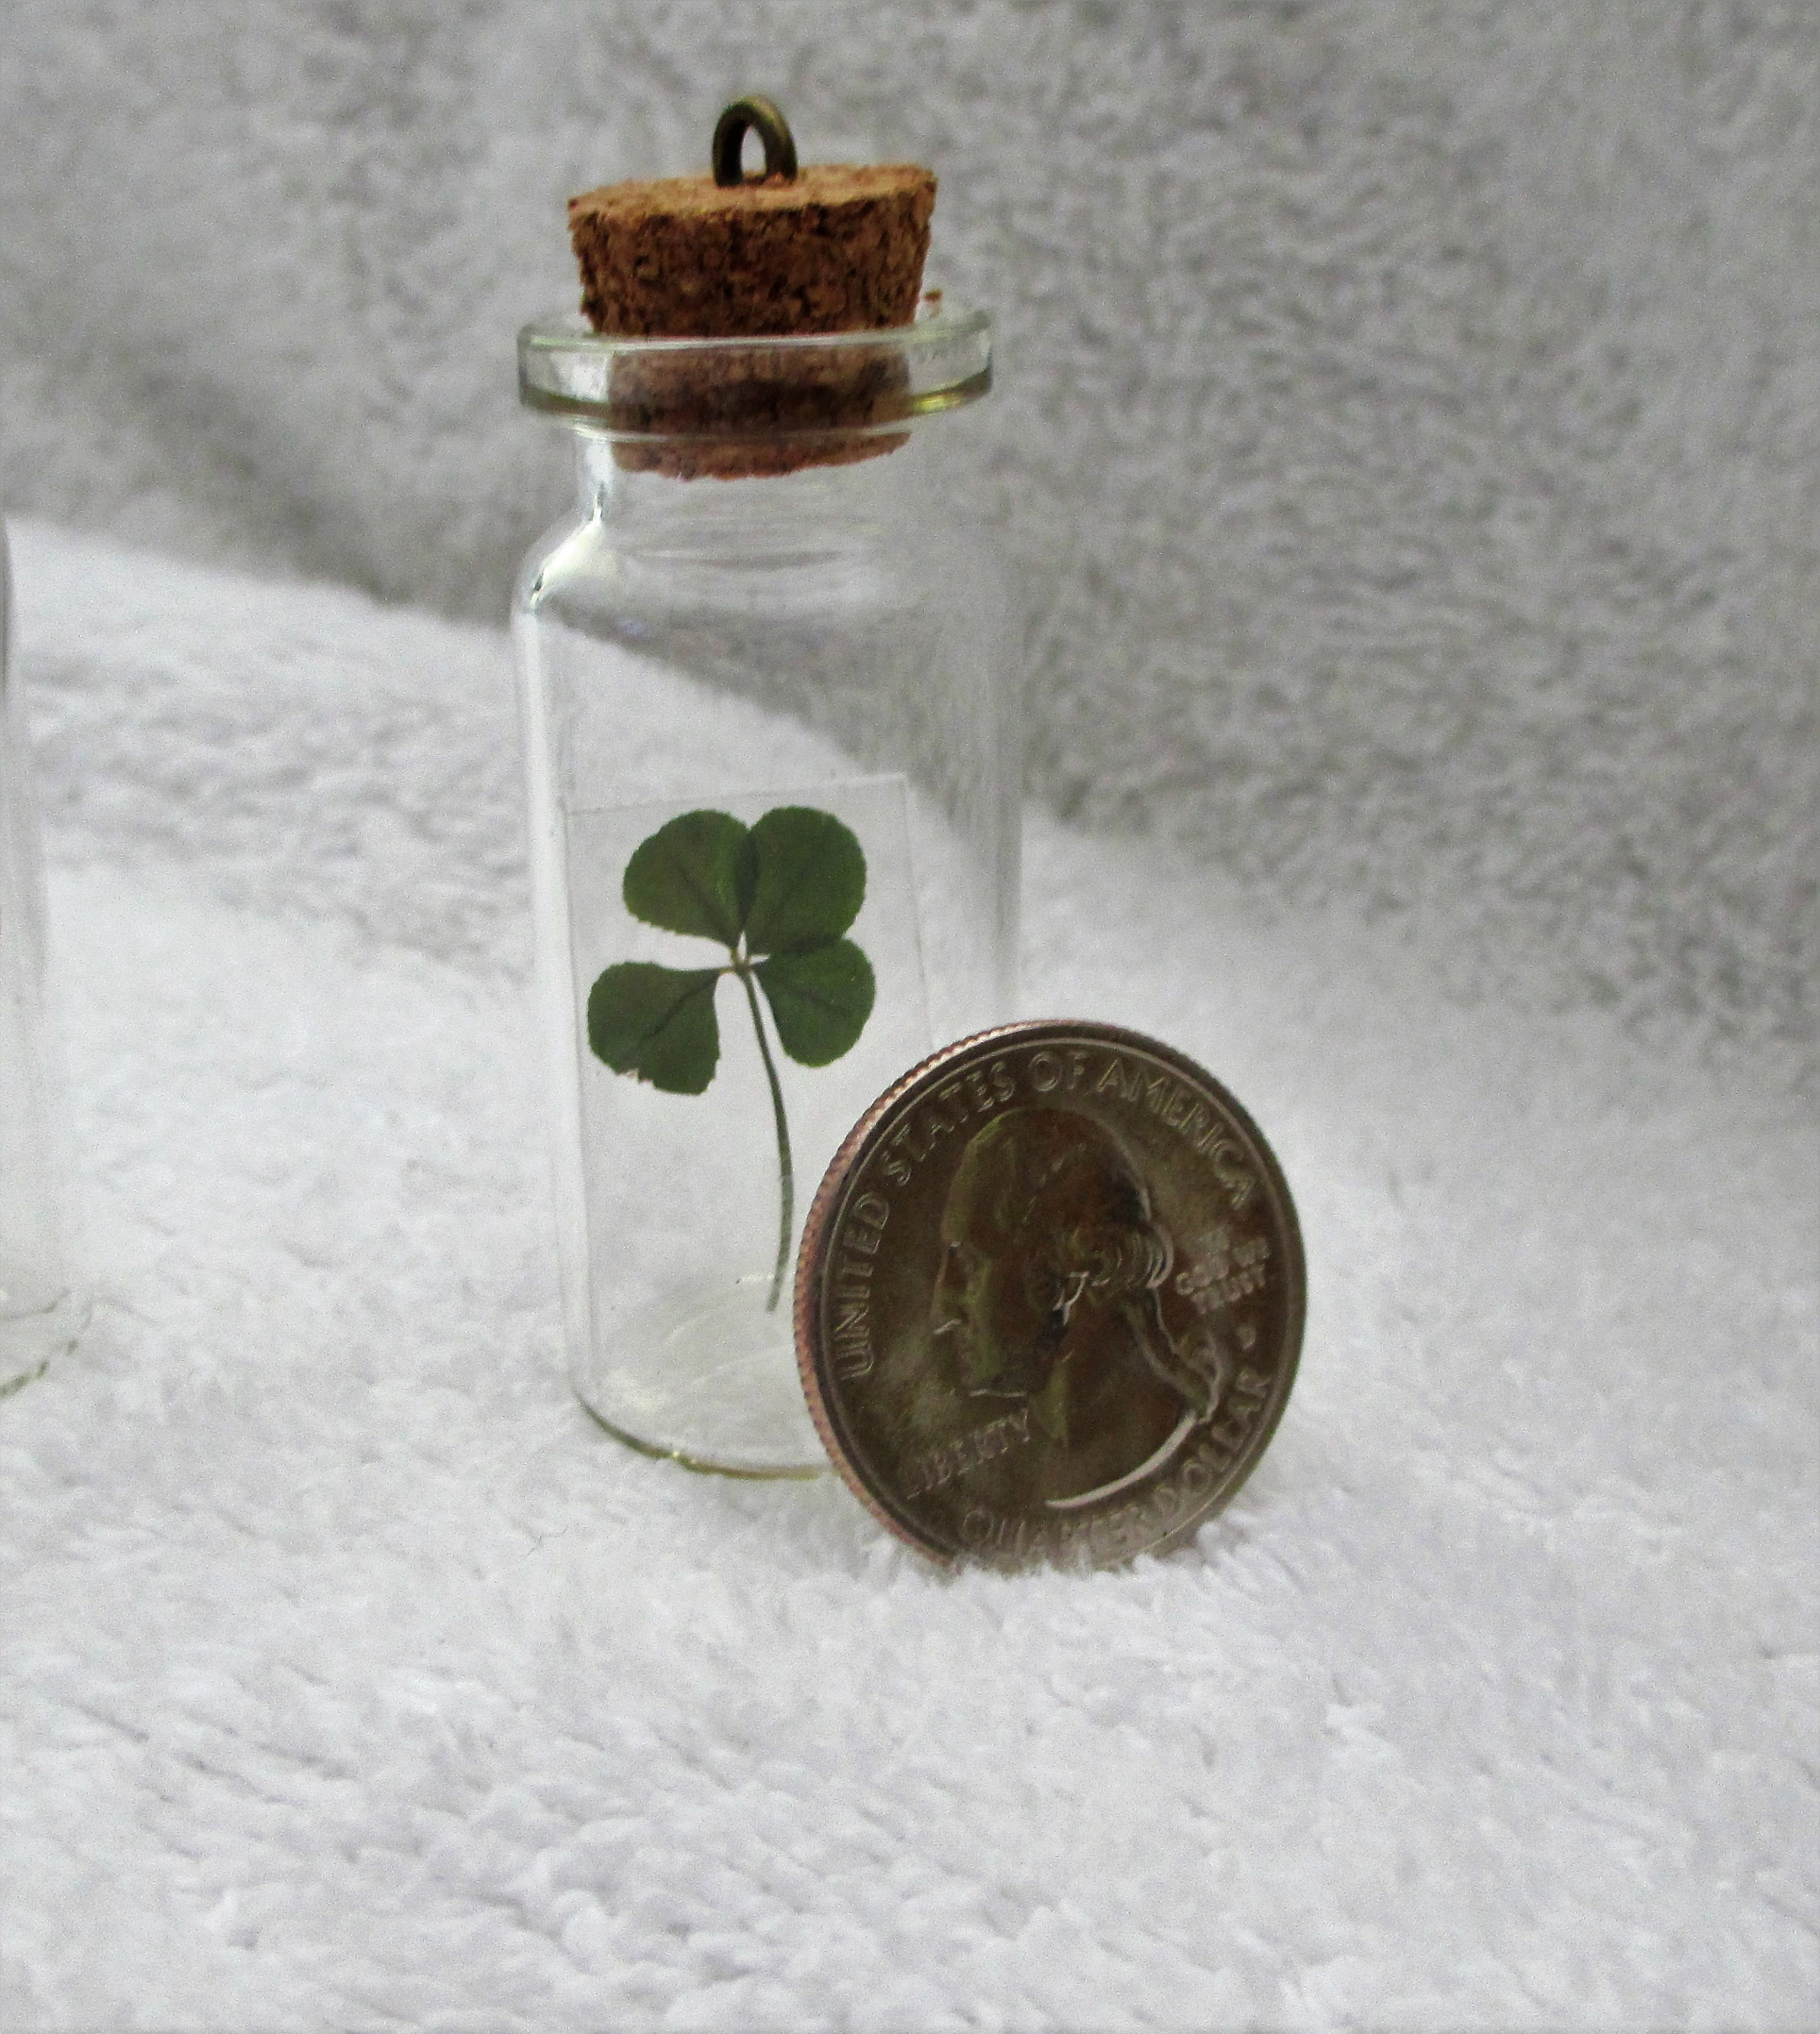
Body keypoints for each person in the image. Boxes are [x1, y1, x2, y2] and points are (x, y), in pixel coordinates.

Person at [927, 1105, 1229, 1509]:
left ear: (1075, 1270)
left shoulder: (1130, 1443)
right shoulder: (1033, 1474)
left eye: (970, 1264)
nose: (941, 1313)